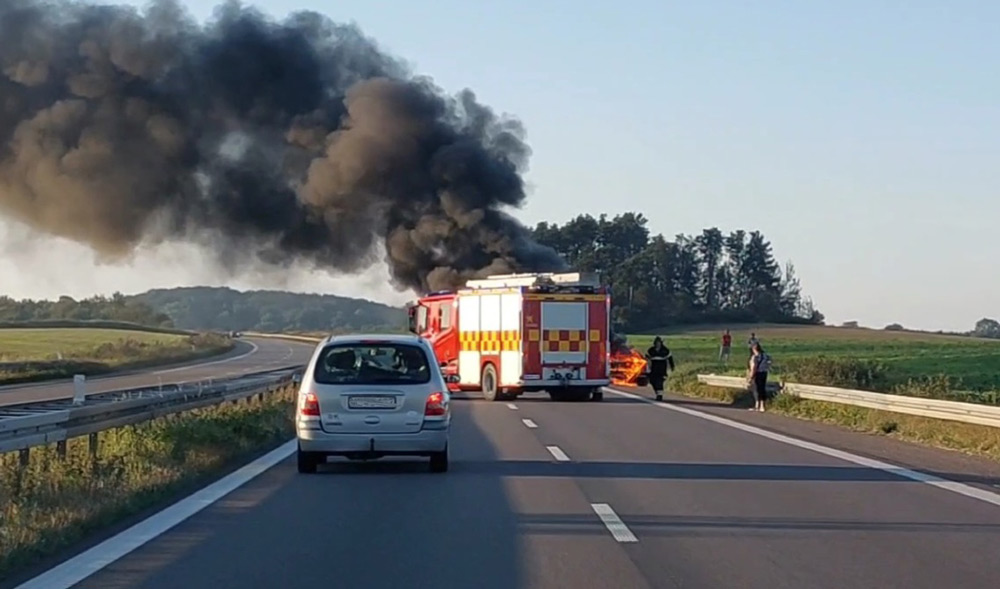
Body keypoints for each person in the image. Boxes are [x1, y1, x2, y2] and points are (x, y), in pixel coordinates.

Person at [646, 336, 675, 402]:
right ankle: (657, 393)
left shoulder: (665, 350)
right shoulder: (651, 350)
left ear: (661, 343)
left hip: (661, 369)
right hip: (653, 369)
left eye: (659, 342)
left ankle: (660, 396)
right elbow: (646, 359)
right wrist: (647, 368)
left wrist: (672, 367)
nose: (657, 344)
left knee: (659, 382)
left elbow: (670, 359)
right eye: (656, 342)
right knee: (652, 381)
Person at [747, 342, 772, 411]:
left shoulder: (754, 357)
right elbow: (769, 362)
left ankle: (758, 405)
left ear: (753, 348)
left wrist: (750, 376)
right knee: (762, 389)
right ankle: (762, 405)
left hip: (757, 373)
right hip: (764, 373)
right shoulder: (765, 355)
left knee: (757, 390)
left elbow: (753, 367)